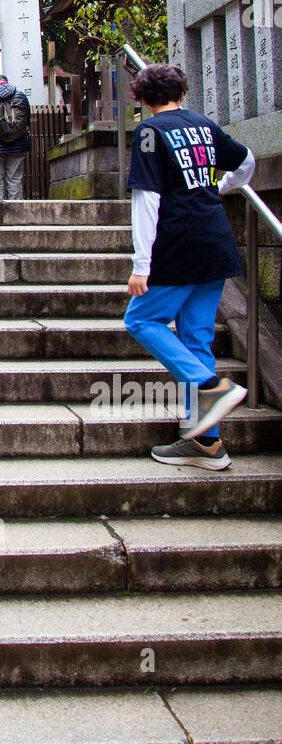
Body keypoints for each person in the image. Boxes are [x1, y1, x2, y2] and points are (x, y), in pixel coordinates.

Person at [123, 63, 254, 470]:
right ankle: (208, 443)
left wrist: (140, 264)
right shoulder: (203, 125)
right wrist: (219, 186)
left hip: (177, 244)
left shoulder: (149, 132)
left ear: (142, 99)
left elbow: (147, 200)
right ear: (182, 92)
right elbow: (247, 162)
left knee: (141, 320)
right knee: (196, 340)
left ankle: (209, 386)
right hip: (214, 241)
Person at [0, 74, 32, 201]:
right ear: (6, 83)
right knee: (15, 179)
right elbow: (27, 120)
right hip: (18, 144)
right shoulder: (21, 96)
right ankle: (15, 215)